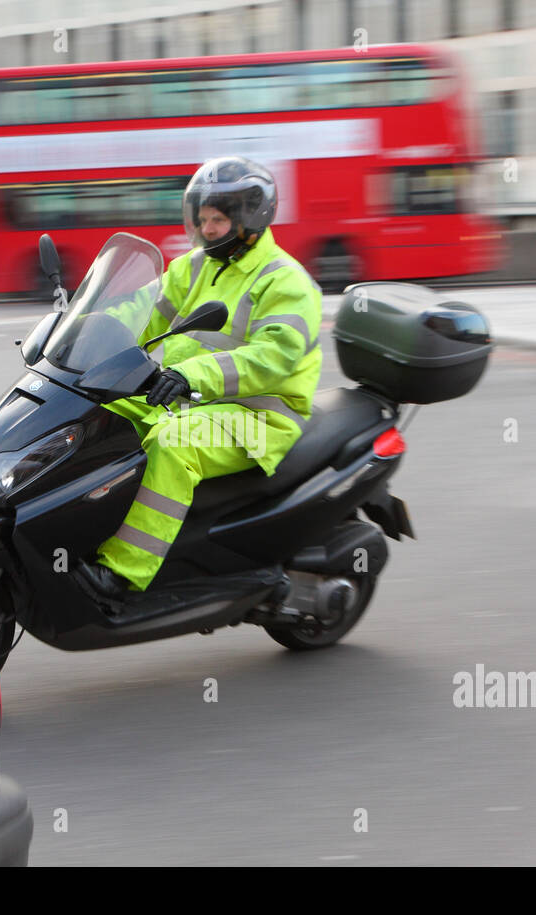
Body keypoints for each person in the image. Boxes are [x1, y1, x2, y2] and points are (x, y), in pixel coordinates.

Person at [74, 156, 323, 600]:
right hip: (187, 398)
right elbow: (140, 313)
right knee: (94, 410)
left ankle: (123, 575)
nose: (208, 229)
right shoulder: (192, 268)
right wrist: (81, 330)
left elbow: (272, 357)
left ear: (251, 218)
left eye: (219, 219)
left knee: (174, 446)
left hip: (260, 419)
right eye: (202, 218)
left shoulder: (286, 281)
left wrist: (189, 375)